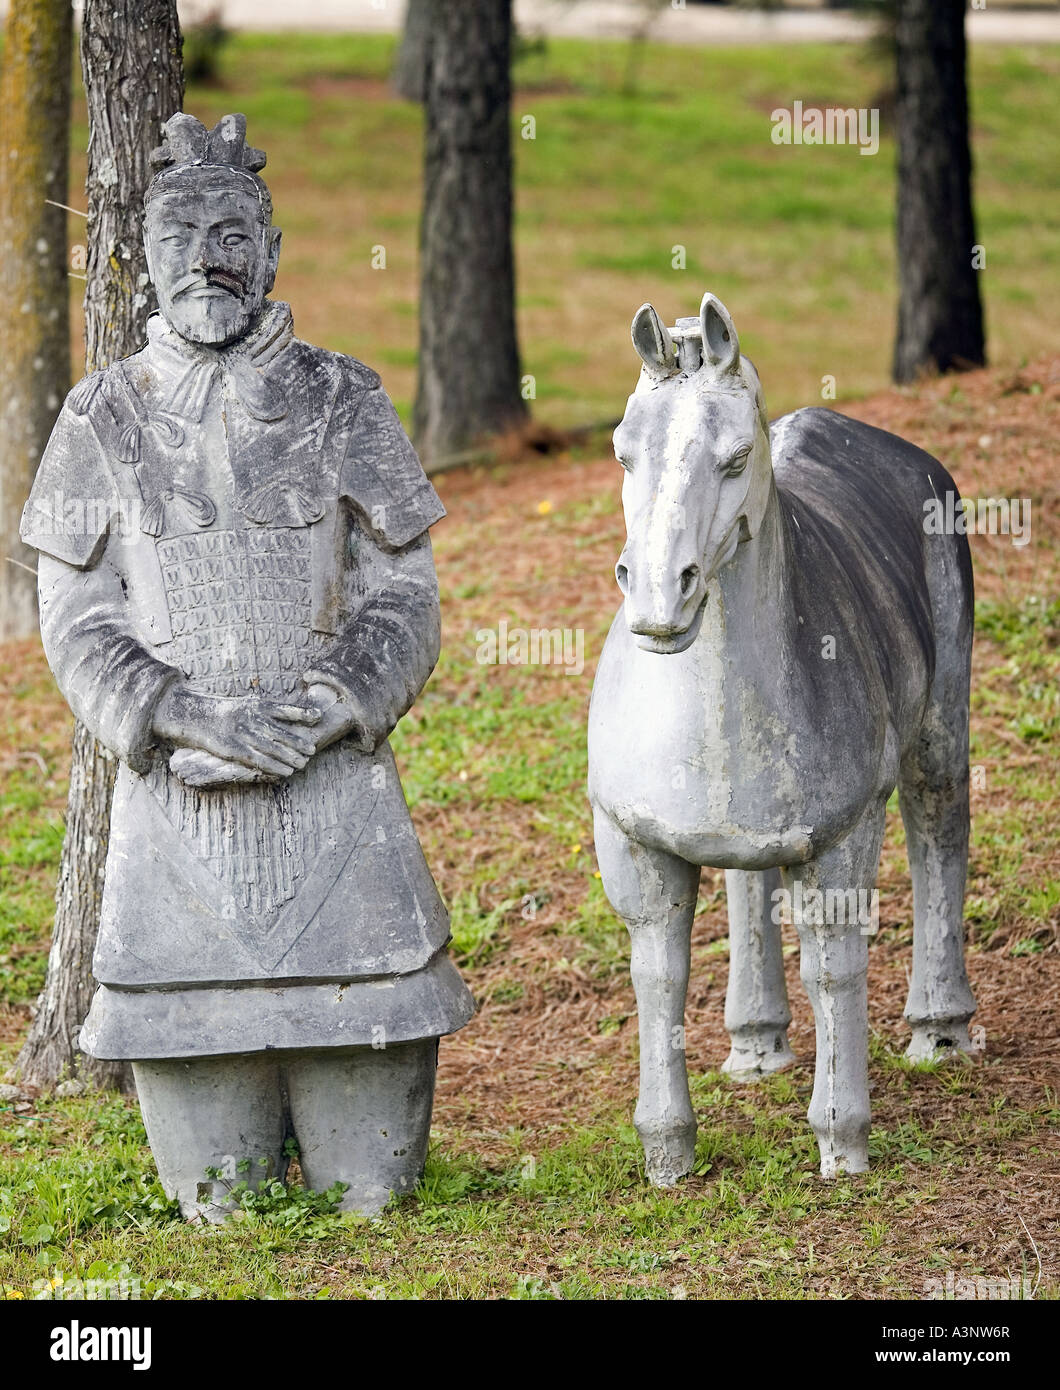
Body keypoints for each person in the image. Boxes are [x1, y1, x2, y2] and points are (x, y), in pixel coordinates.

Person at [21, 113, 474, 1220]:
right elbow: (72, 611)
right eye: (178, 235)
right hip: (176, 843)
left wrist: (330, 709)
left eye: (231, 231)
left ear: (269, 251)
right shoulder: (101, 414)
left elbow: (405, 592)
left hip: (343, 831)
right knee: (219, 1212)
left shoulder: (344, 397)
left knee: (374, 1201)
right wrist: (181, 716)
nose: (205, 257)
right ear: (145, 255)